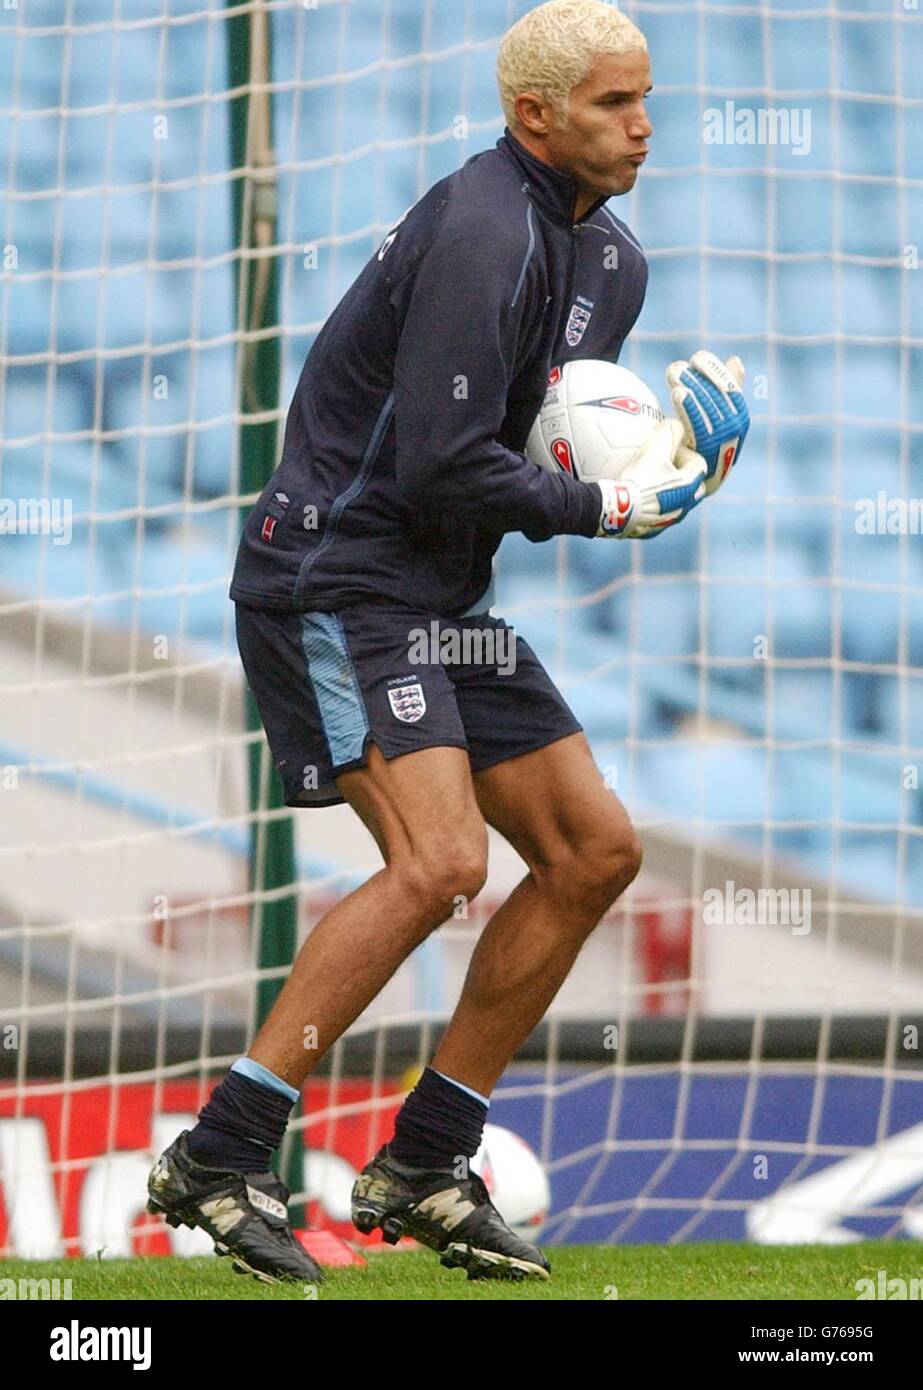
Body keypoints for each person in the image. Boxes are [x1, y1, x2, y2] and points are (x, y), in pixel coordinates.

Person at [147, 0, 748, 1284]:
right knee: (437, 866)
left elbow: (533, 451)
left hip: (439, 599)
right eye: (610, 104)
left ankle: (423, 1162)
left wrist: (671, 464)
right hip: (338, 576)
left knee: (592, 849)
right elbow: (440, 462)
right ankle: (217, 1156)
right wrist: (605, 506)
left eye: (646, 99)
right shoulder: (482, 228)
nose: (643, 126)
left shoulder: (612, 265)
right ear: (534, 113)